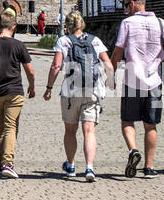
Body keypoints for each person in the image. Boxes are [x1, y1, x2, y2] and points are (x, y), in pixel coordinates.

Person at [110, 0, 164, 179]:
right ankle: (149, 167)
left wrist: (111, 70)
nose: (125, 10)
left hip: (132, 80)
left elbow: (119, 50)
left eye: (125, 6)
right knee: (151, 124)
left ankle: (133, 150)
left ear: (132, 3)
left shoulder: (128, 23)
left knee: (127, 121)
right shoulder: (161, 23)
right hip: (155, 81)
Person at [45, 11, 114, 181]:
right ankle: (89, 168)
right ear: (82, 24)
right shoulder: (95, 40)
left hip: (70, 91)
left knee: (70, 130)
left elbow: (56, 66)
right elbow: (109, 65)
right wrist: (109, 83)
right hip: (92, 90)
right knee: (89, 130)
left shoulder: (64, 41)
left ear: (67, 25)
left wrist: (49, 88)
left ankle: (71, 165)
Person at [0, 10, 35, 178]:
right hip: (14, 91)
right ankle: (7, 163)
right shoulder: (19, 45)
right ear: (14, 27)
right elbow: (30, 71)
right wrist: (32, 86)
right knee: (10, 126)